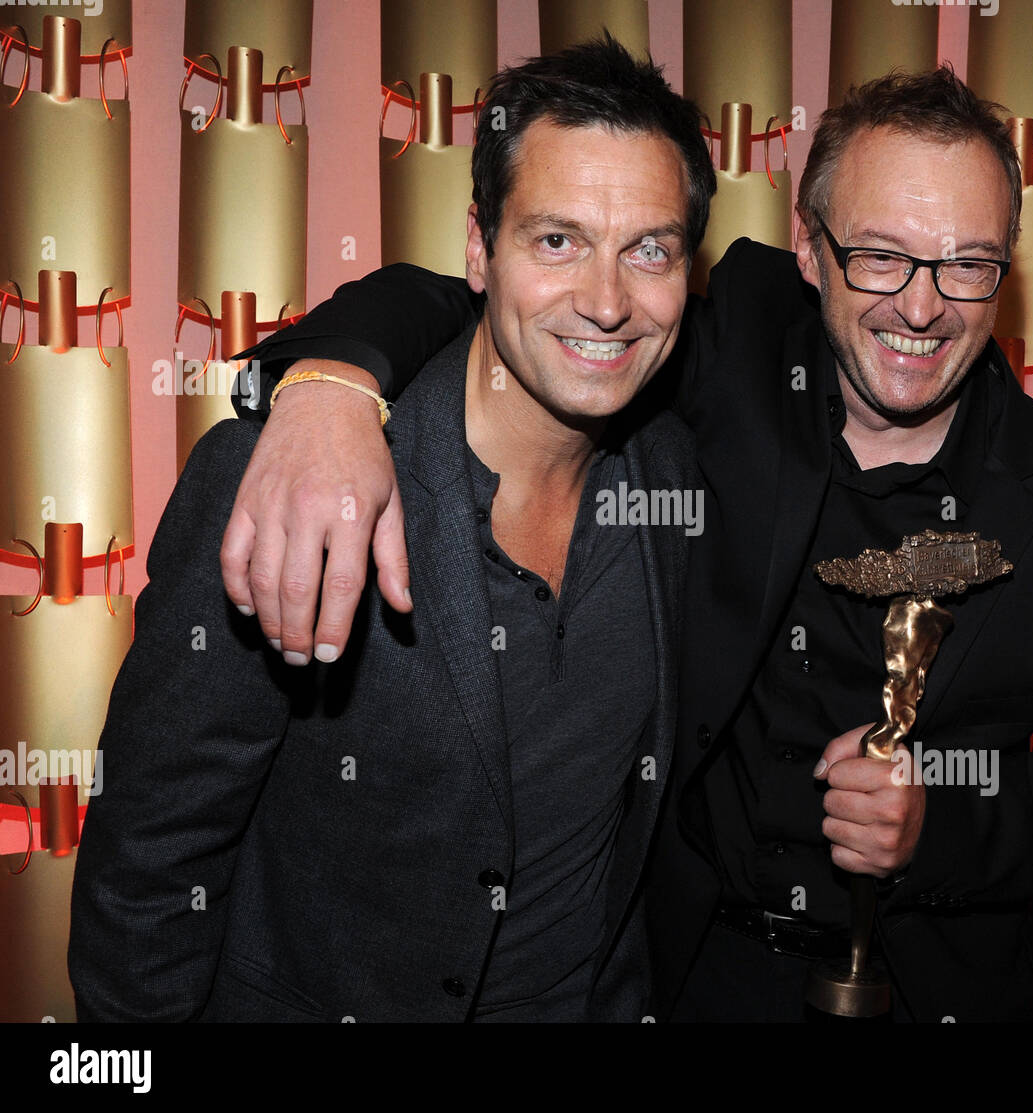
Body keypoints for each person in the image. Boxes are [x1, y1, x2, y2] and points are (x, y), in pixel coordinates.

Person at [219, 66, 1033, 1022]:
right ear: (810, 247)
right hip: (679, 968)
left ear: (1009, 263)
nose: (921, 309)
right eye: (878, 255)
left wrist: (940, 824)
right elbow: (499, 303)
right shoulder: (732, 345)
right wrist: (331, 385)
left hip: (934, 987)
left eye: (967, 264)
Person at [67, 36, 714, 1022]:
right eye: (556, 241)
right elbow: (149, 868)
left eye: (650, 250)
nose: (607, 300)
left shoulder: (672, 476)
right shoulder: (289, 478)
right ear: (475, 247)